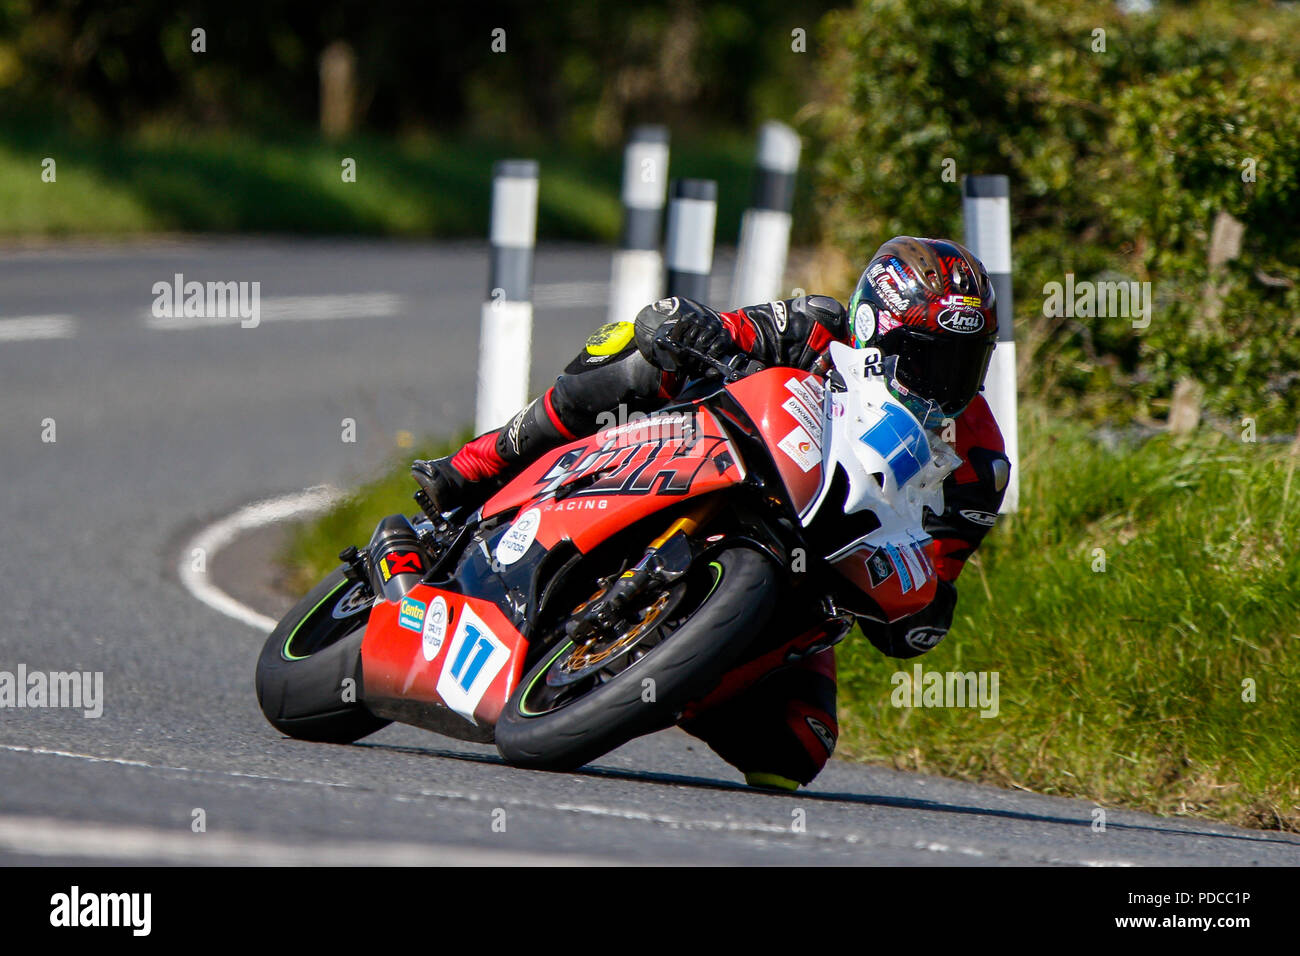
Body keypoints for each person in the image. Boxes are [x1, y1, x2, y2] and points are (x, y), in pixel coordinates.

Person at [413, 236, 1010, 790]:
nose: (945, 387)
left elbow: (928, 594)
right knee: (629, 350)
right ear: (871, 331)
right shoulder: (814, 328)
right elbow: (709, 327)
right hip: (685, 458)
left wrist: (914, 608)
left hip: (802, 587)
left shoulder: (978, 463)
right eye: (927, 360)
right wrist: (687, 328)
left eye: (964, 364)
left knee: (794, 752)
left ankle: (666, 673)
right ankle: (474, 467)